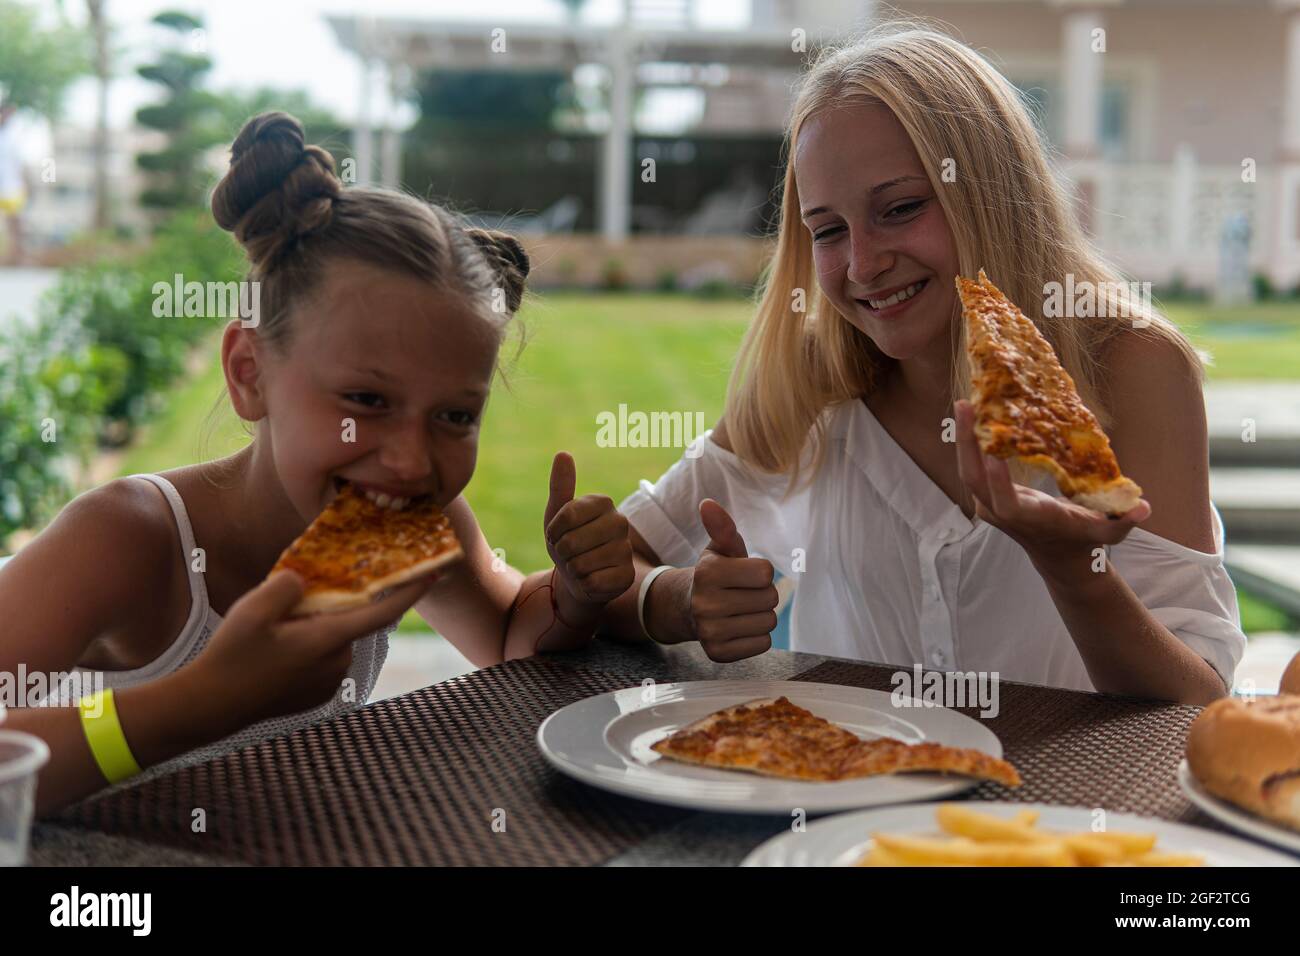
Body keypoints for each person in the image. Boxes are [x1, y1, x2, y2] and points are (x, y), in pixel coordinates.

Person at [0, 112, 635, 816]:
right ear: (249, 373)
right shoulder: (127, 539)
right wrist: (199, 700)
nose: (409, 461)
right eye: (366, 400)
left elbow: (510, 631)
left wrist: (573, 595)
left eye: (455, 416)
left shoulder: (407, 522)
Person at [602, 26, 1244, 705]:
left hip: (1059, 810)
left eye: (901, 208)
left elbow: (1196, 702)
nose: (863, 264)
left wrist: (1077, 572)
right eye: (828, 230)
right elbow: (614, 566)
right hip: (845, 796)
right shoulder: (814, 377)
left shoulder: (1132, 367)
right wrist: (675, 599)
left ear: (990, 193)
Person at [0, 98, 29, 265]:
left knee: (15, 223)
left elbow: (20, 164)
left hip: (11, 187)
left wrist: (25, 183)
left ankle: (17, 256)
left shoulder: (12, 137)